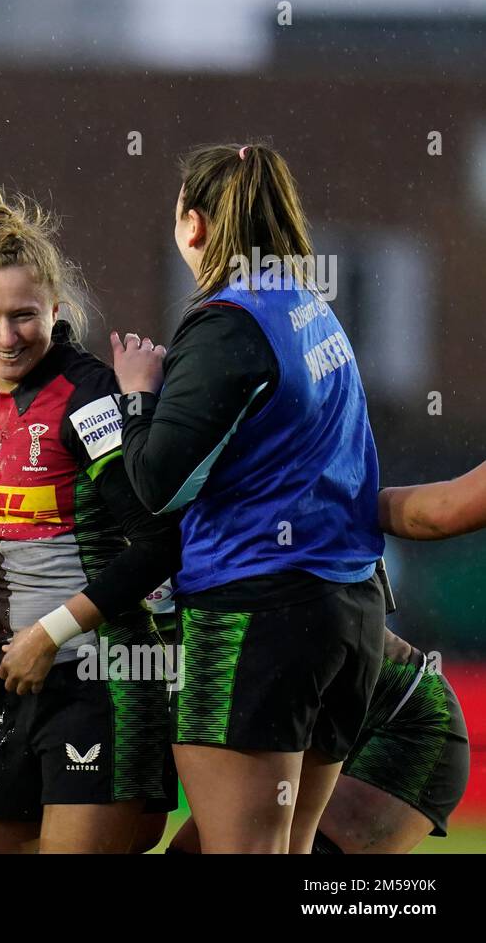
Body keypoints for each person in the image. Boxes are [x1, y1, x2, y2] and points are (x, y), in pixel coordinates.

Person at [111, 142, 386, 853]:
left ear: (193, 224)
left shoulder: (228, 321)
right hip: (347, 616)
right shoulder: (310, 308)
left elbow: (157, 484)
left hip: (254, 616)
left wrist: (139, 396)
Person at [0, 188, 178, 853]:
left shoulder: (87, 396)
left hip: (96, 674)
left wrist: (49, 635)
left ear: (55, 309)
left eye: (24, 316)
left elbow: (155, 544)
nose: (6, 337)